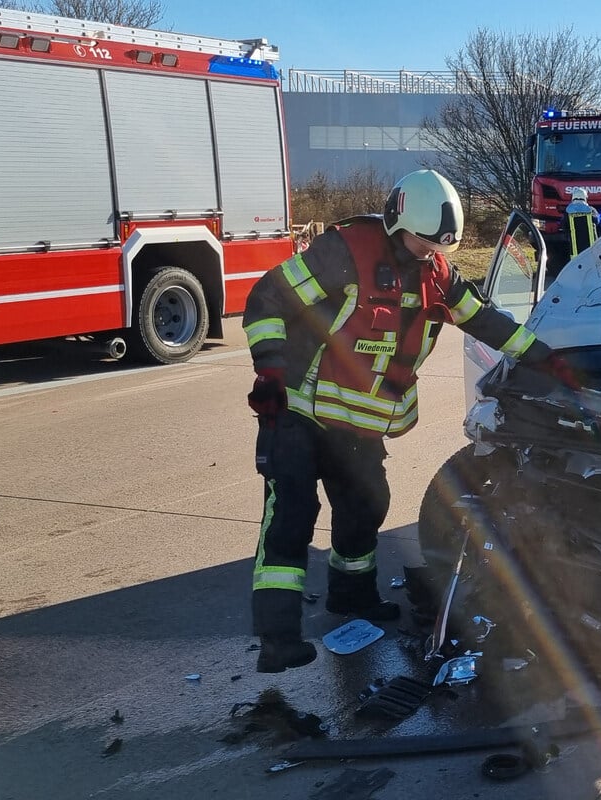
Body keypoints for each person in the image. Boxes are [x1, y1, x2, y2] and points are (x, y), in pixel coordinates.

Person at [242, 169, 578, 673]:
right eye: (424, 241)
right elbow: (268, 297)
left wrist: (544, 357)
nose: (429, 253)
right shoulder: (345, 251)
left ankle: (351, 597)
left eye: (438, 246)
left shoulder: (437, 274)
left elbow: (484, 320)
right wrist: (269, 369)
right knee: (291, 516)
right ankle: (278, 637)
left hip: (358, 426)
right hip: (297, 410)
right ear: (399, 221)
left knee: (365, 508)